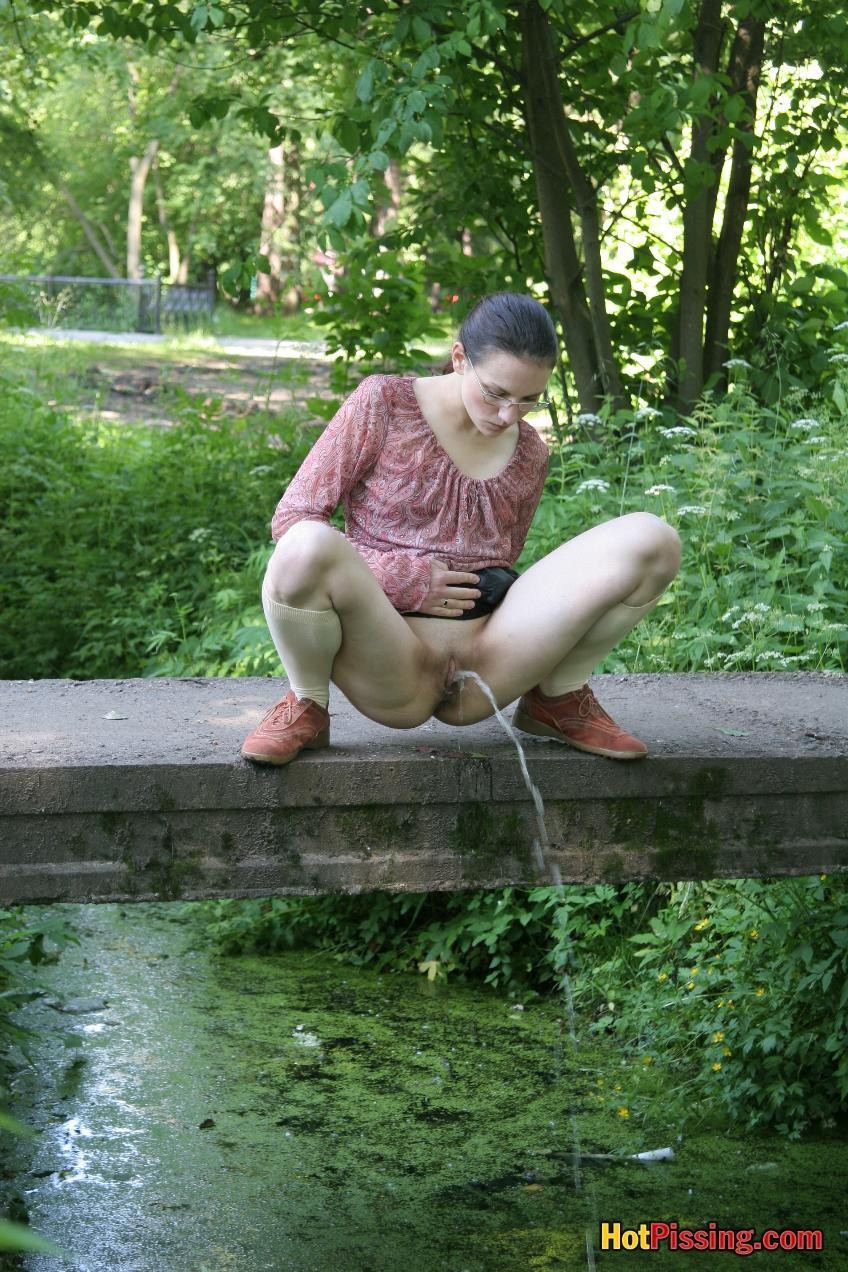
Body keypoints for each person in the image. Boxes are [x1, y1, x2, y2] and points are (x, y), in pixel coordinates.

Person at [240, 291, 681, 766]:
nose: (510, 415)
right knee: (305, 546)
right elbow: (292, 517)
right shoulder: (384, 403)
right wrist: (402, 579)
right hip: (391, 663)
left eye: (530, 399)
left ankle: (557, 697)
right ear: (458, 360)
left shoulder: (531, 451)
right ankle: (307, 703)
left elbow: (505, 557)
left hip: (488, 666)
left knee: (653, 540)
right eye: (496, 393)